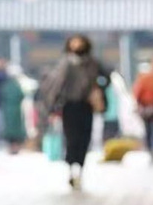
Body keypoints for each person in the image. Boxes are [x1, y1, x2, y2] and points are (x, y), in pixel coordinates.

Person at [40, 35, 109, 190]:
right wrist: (51, 106)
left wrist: (98, 89)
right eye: (74, 42)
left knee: (85, 138)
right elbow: (56, 85)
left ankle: (81, 169)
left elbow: (107, 77)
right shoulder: (65, 63)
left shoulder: (92, 63)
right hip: (69, 106)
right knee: (71, 138)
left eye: (79, 42)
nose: (77, 45)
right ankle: (72, 169)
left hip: (86, 105)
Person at [0, 64, 27, 154]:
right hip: (16, 111)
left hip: (6, 111)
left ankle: (11, 147)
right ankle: (15, 147)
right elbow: (21, 95)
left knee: (9, 131)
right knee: (16, 131)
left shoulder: (5, 85)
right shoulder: (16, 85)